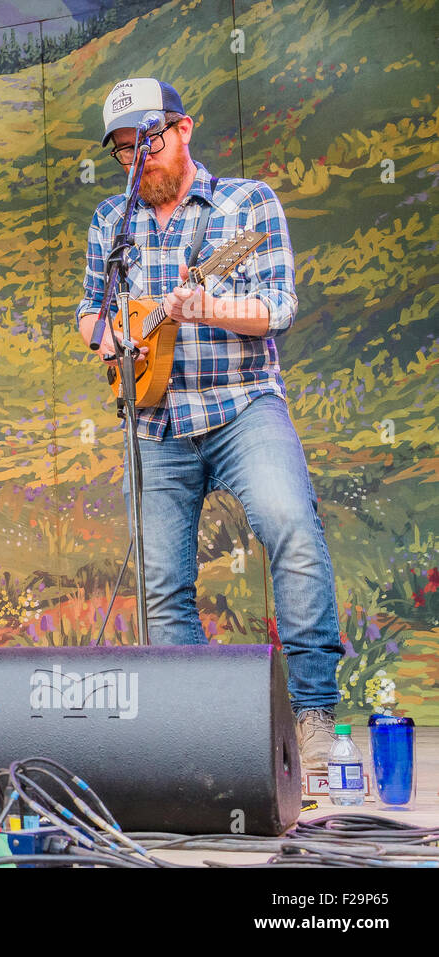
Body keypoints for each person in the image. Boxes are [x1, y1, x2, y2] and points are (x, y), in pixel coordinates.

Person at [76, 79, 343, 772]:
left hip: (241, 403)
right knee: (163, 584)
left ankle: (313, 714)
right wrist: (109, 335)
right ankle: (208, 734)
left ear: (184, 129)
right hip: (154, 419)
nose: (140, 162)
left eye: (150, 143)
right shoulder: (111, 219)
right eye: (125, 151)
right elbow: (88, 312)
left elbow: (278, 307)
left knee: (290, 524)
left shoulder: (246, 204)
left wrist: (205, 306)